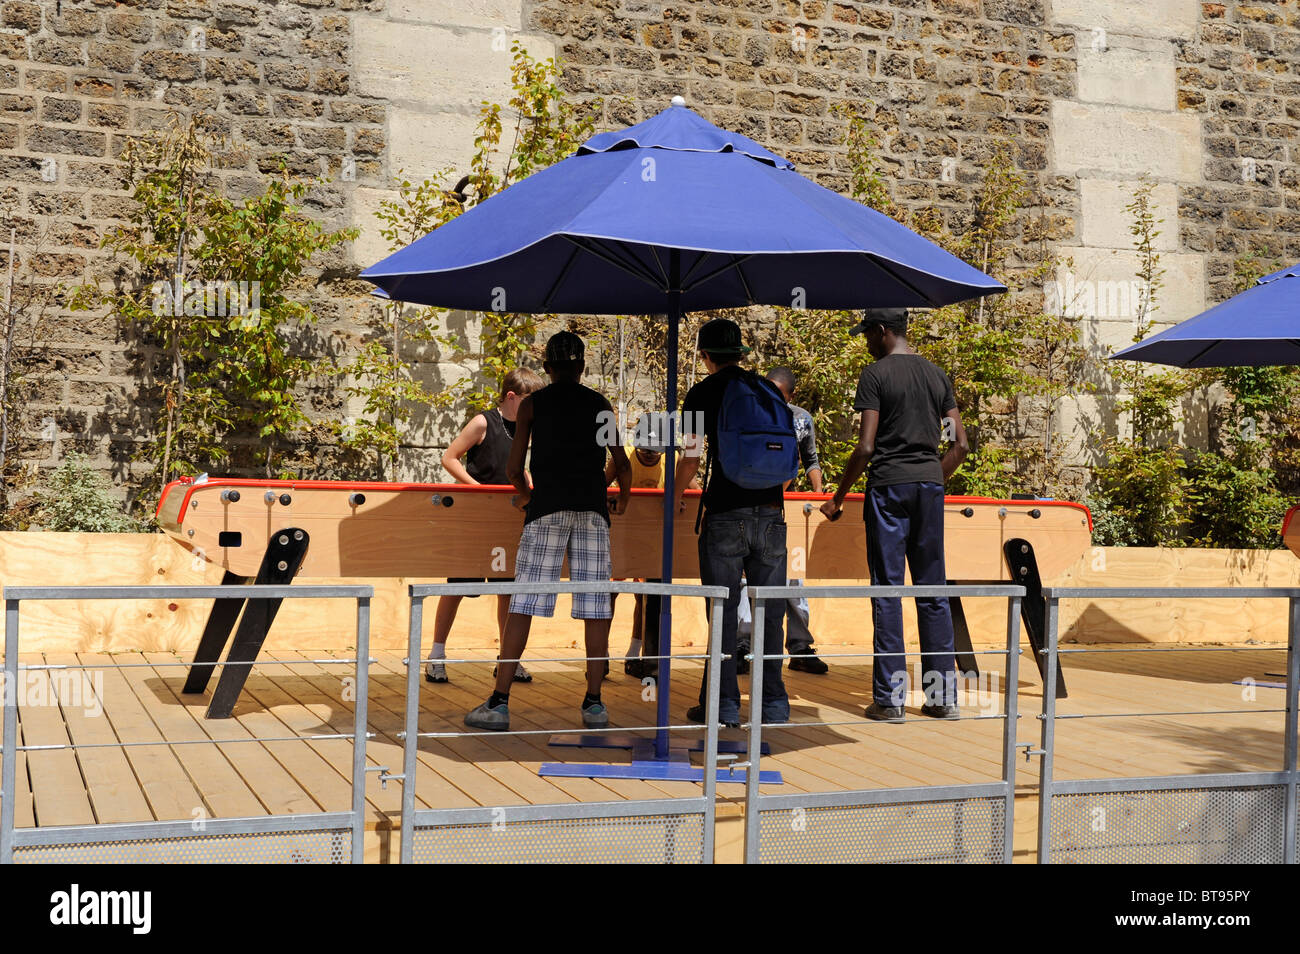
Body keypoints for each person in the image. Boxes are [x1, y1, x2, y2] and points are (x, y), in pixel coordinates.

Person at [465, 331, 631, 732]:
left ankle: (500, 702)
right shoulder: (600, 405)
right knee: (596, 607)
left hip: (547, 510)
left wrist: (525, 496)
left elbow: (513, 467)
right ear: (582, 367)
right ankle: (594, 704)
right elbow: (621, 463)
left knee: (523, 601)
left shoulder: (534, 405)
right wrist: (619, 499)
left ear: (547, 368)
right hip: (592, 512)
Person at [820, 308, 969, 722]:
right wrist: (929, 479)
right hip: (929, 489)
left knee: (888, 589)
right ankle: (942, 699)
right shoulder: (937, 375)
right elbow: (960, 446)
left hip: (887, 489)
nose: (866, 340)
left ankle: (889, 701)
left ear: (883, 331)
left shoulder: (875, 375)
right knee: (932, 590)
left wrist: (837, 497)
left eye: (868, 333)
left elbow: (866, 447)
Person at [672, 318, 790, 728]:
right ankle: (773, 704)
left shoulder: (701, 393)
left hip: (724, 516)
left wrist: (673, 497)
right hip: (773, 516)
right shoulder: (767, 390)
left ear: (705, 356)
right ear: (739, 354)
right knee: (770, 613)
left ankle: (723, 708)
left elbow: (691, 457)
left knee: (721, 614)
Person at [425, 368, 545, 684]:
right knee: (457, 587)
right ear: (511, 397)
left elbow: (517, 467)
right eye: (530, 401)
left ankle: (508, 659)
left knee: (508, 591)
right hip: (476, 517)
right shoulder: (482, 422)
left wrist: (528, 485)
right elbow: (450, 458)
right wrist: (476, 489)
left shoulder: (526, 428)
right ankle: (436, 655)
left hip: (508, 517)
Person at [604, 417, 700, 680]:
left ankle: (635, 654)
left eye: (654, 451)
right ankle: (601, 655)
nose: (648, 456)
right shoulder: (624, 457)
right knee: (609, 594)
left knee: (645, 597)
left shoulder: (674, 462)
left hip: (653, 539)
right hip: (624, 535)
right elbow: (602, 484)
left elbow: (694, 492)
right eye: (644, 450)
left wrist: (681, 498)